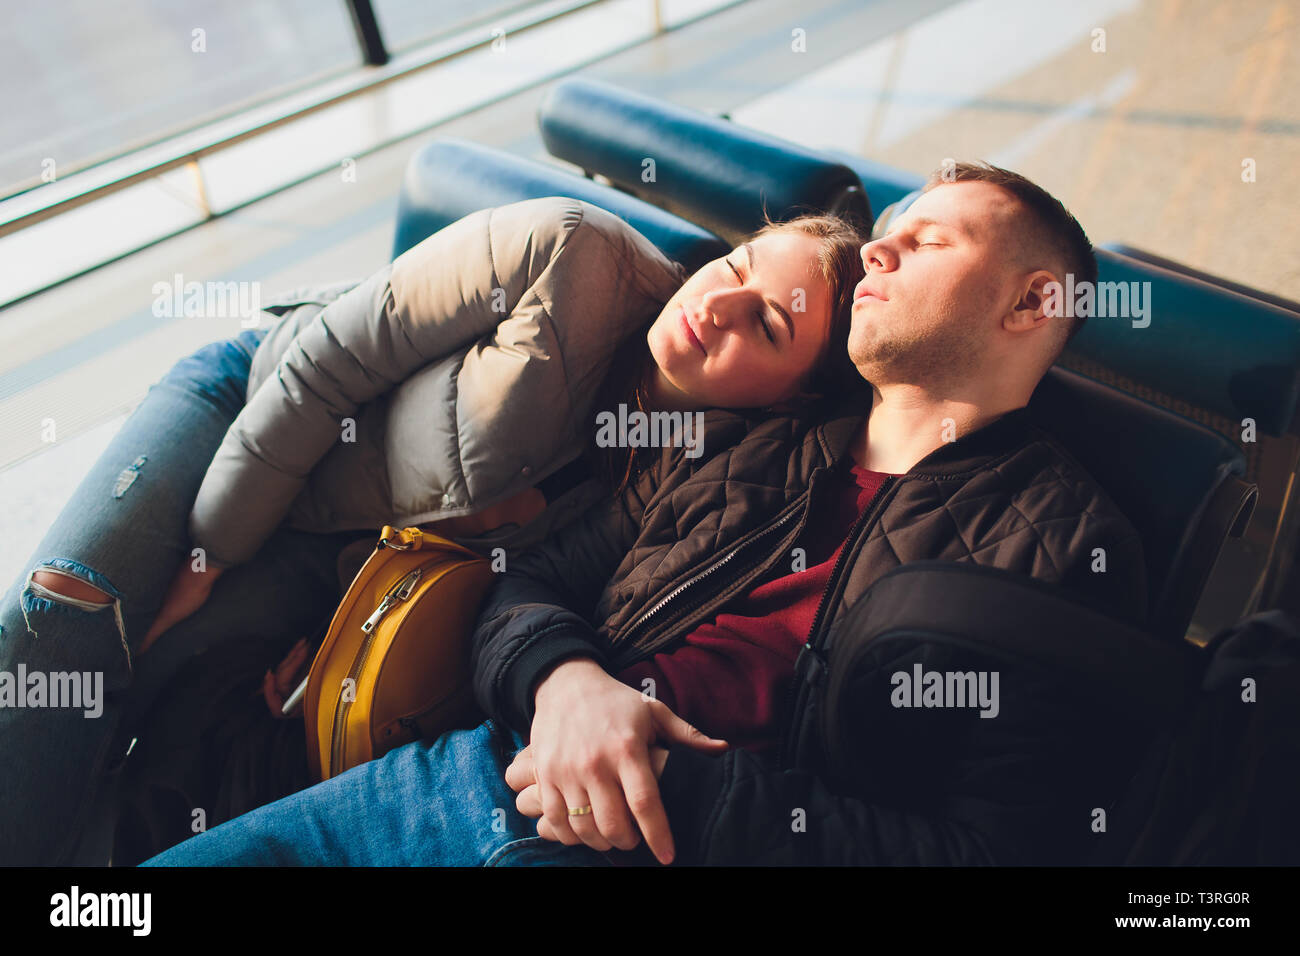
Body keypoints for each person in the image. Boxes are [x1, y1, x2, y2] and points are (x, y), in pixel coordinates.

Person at [141, 161, 1152, 868]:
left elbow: (990, 851)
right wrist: (567, 682)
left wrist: (675, 783)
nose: (881, 257)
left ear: (1028, 307)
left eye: (924, 241)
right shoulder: (752, 446)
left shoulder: (1060, 544)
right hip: (470, 770)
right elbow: (525, 580)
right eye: (883, 238)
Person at [0, 195, 868, 865]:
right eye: (741, 265)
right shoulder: (572, 252)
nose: (720, 304)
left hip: (337, 553)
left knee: (168, 685)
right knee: (68, 625)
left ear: (792, 398)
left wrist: (330, 639)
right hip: (247, 406)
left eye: (768, 323)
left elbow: (496, 578)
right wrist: (210, 554)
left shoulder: (694, 470)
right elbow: (325, 365)